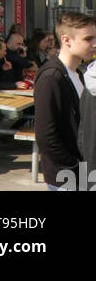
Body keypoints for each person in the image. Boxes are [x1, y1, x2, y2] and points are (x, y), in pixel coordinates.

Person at [34, 10, 96, 191]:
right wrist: (75, 168)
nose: (94, 44)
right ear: (66, 40)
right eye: (88, 39)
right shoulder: (51, 77)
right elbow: (45, 136)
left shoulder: (79, 73)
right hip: (66, 178)